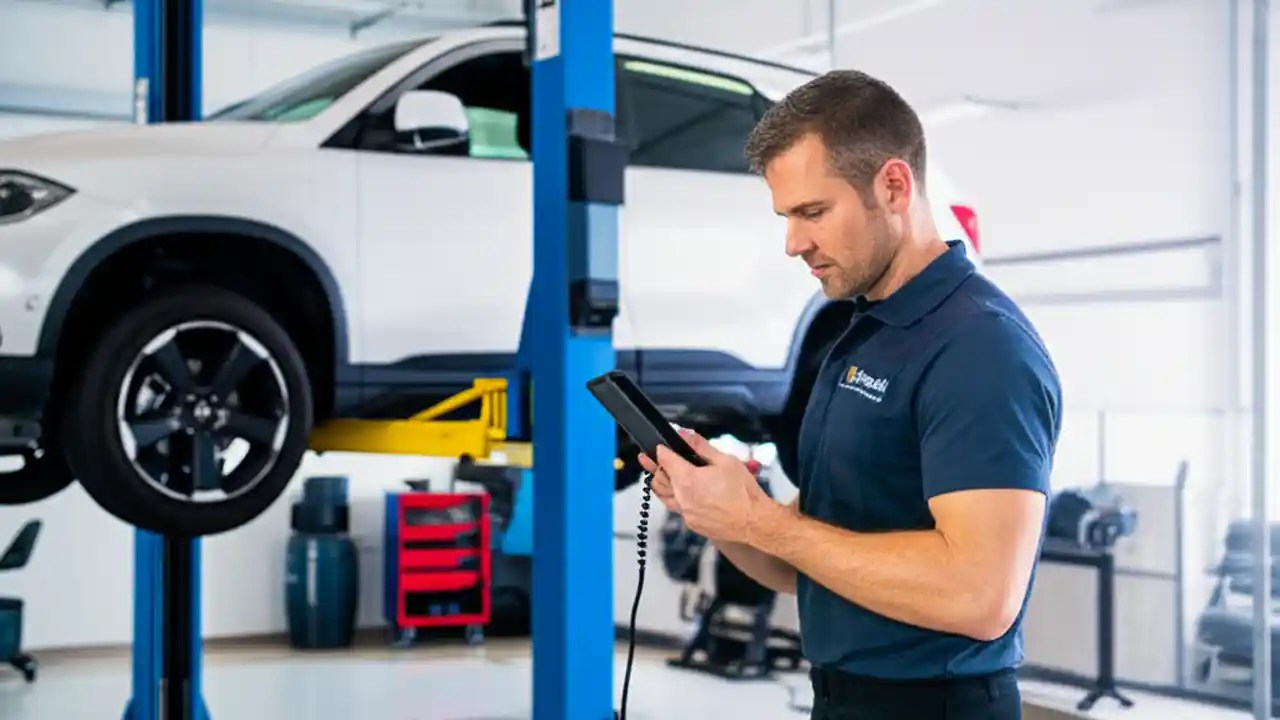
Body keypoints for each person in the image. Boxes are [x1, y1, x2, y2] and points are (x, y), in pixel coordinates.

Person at [638, 70, 1062, 720]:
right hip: (839, 698)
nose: (793, 243)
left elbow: (981, 596)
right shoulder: (859, 336)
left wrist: (759, 520)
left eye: (813, 212)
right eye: (786, 217)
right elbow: (803, 559)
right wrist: (719, 513)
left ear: (893, 185)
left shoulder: (979, 346)